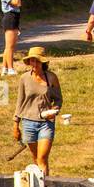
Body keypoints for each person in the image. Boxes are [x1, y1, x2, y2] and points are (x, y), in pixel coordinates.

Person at [14, 45, 62, 174]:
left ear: (43, 62)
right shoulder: (24, 78)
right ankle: (41, 186)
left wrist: (55, 109)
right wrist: (16, 124)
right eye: (32, 60)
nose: (34, 64)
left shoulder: (51, 78)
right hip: (28, 122)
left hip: (46, 123)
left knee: (42, 158)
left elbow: (58, 99)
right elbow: (20, 101)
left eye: (37, 61)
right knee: (36, 159)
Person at [0, 0, 22, 76]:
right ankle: (10, 69)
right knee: (10, 46)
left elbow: (19, 3)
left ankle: (4, 68)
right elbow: (16, 3)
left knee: (9, 46)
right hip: (10, 18)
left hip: (15, 18)